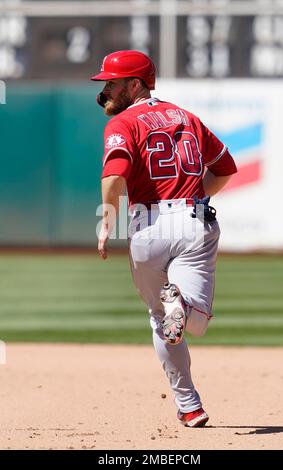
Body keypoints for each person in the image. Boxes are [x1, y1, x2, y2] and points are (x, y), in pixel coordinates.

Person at [91, 50, 237, 428]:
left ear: (135, 84)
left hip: (146, 227)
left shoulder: (123, 124)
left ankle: (189, 405)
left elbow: (114, 177)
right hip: (192, 222)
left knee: (160, 318)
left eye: (112, 82)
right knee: (195, 322)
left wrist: (108, 220)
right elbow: (225, 168)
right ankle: (184, 309)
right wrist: (196, 197)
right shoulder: (187, 118)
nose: (106, 89)